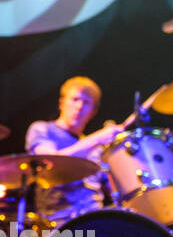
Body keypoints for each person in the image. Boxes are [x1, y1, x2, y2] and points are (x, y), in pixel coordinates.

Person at [24, 76, 121, 222]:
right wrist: (97, 138)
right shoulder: (42, 129)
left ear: (93, 112)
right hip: (58, 224)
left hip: (95, 219)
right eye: (75, 99)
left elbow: (115, 192)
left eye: (86, 102)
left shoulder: (97, 150)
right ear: (61, 103)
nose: (80, 106)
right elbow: (52, 163)